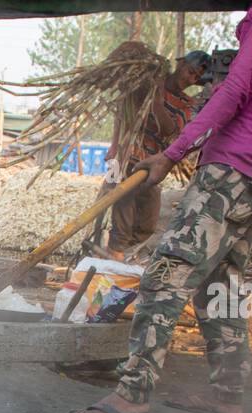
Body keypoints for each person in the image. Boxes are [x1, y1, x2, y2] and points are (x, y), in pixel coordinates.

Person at [69, 0, 252, 413]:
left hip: (232, 167)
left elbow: (237, 88)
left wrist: (173, 152)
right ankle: (227, 396)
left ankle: (132, 392)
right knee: (222, 285)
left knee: (166, 274)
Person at [105, 50, 210, 258]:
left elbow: (170, 130)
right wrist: (114, 146)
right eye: (189, 72)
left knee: (148, 221)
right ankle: (115, 252)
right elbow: (122, 111)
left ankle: (128, 255)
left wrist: (155, 100)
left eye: (196, 77)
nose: (190, 79)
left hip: (152, 163)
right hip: (127, 155)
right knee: (122, 203)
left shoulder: (186, 103)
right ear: (179, 63)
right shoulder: (147, 84)